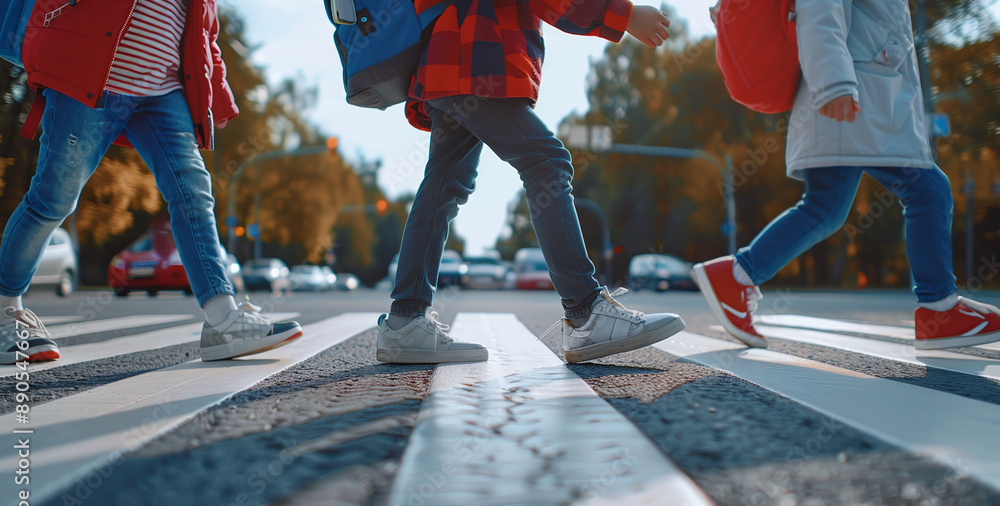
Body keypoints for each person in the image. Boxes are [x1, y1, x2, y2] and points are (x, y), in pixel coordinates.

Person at [376, 0, 687, 364]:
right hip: (478, 55)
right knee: (546, 164)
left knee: (443, 187)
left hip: (448, 58)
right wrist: (624, 15)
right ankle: (586, 312)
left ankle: (405, 321)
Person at [0, 0, 302, 365]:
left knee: (193, 192)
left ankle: (224, 320)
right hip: (89, 73)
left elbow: (205, 34)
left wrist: (218, 96)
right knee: (54, 198)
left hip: (164, 90)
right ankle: (5, 312)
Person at [695, 0, 1000, 351]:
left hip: (861, 98)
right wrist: (834, 83)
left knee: (827, 208)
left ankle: (736, 276)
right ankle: (939, 311)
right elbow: (819, 9)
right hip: (852, 98)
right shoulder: (839, 85)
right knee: (927, 191)